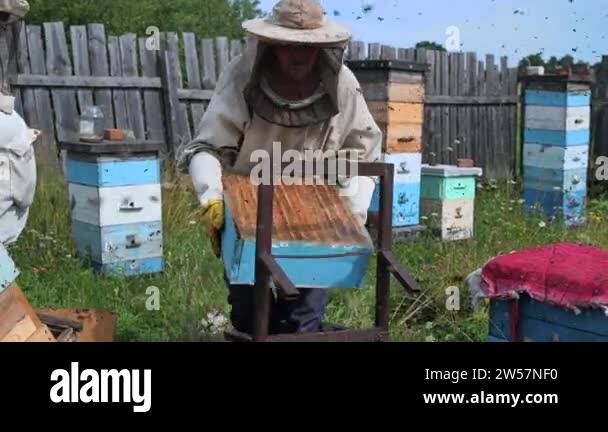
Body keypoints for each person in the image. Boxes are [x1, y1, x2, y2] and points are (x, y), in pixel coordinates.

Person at [178, 0, 382, 335]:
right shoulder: (242, 74)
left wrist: (350, 218)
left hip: (316, 217)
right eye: (288, 45)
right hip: (248, 209)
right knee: (248, 316)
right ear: (271, 43)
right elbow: (208, 147)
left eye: (308, 47)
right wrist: (211, 197)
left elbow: (362, 155)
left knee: (302, 321)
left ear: (323, 45)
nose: (299, 55)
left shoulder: (342, 83)